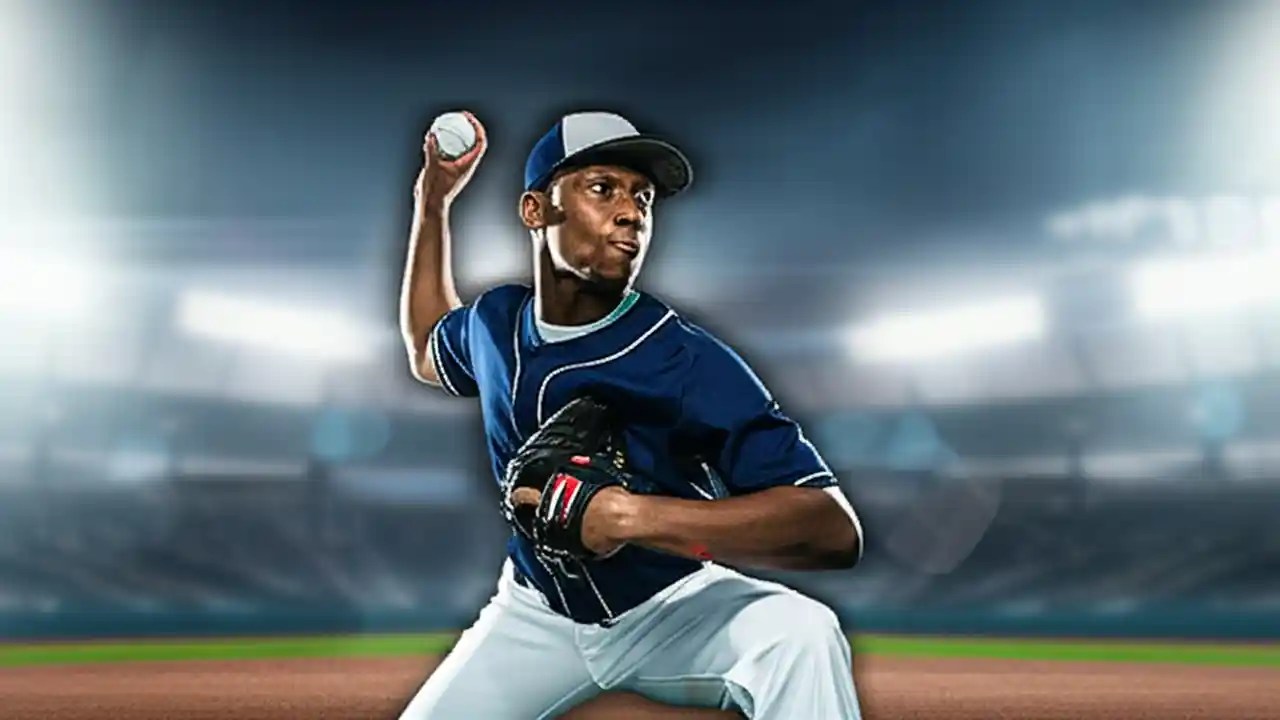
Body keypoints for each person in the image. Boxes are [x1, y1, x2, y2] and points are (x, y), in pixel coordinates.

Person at [397, 110, 865, 719]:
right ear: (535, 211)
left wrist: (630, 516)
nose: (632, 212)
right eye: (602, 188)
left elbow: (832, 528)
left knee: (801, 633)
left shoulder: (685, 358)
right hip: (534, 612)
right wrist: (432, 202)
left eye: (643, 197)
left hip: (671, 606)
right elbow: (425, 348)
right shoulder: (495, 322)